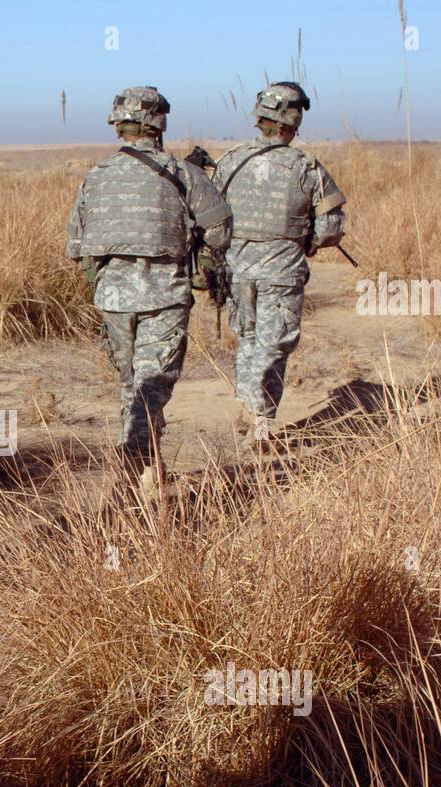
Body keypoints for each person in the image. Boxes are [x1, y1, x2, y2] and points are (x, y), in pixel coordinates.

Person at [66, 86, 231, 496]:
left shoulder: (96, 177)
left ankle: (146, 470)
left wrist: (104, 280)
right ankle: (133, 466)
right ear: (159, 123)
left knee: (132, 384)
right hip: (164, 295)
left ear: (118, 125)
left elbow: (76, 246)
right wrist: (202, 267)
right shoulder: (183, 173)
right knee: (152, 384)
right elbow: (221, 230)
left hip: (112, 298)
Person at [213, 82, 346, 448]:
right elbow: (331, 228)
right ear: (294, 120)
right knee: (274, 344)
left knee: (250, 339)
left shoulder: (229, 161)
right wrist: (310, 242)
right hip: (282, 271)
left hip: (237, 270)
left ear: (260, 118)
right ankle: (261, 422)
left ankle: (246, 406)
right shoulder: (307, 166)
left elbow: (211, 221)